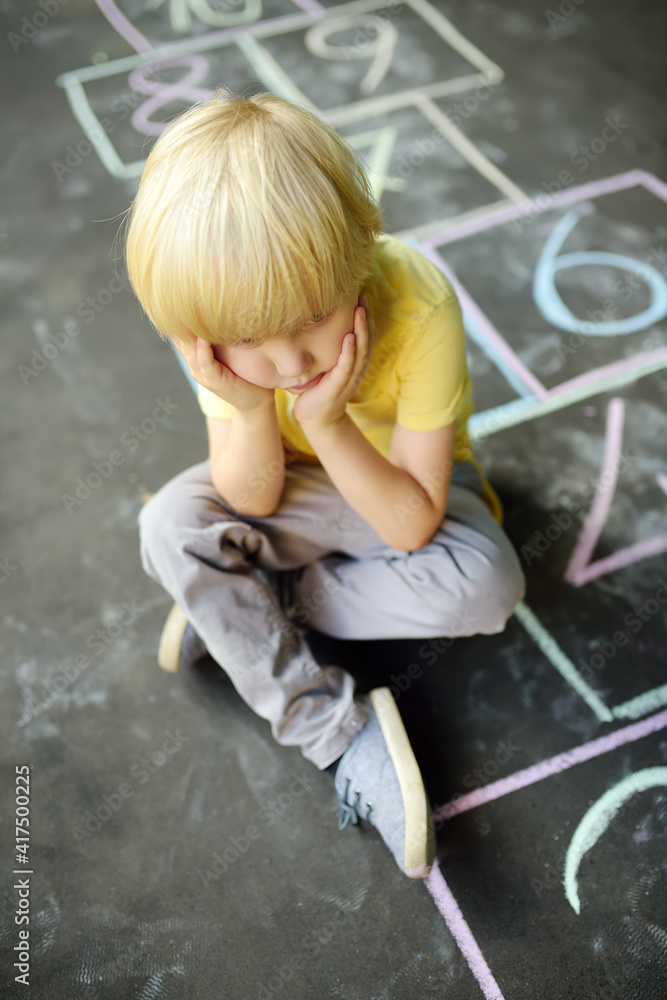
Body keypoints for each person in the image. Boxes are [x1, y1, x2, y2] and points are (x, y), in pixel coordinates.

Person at [123, 87, 526, 879]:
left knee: (487, 585)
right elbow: (252, 499)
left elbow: (413, 523)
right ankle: (332, 733)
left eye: (311, 315)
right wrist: (246, 409)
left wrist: (330, 420)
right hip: (290, 497)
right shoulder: (211, 330)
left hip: (401, 491)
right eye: (249, 341)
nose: (287, 362)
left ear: (359, 251)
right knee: (171, 523)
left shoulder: (415, 298)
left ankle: (238, 609)